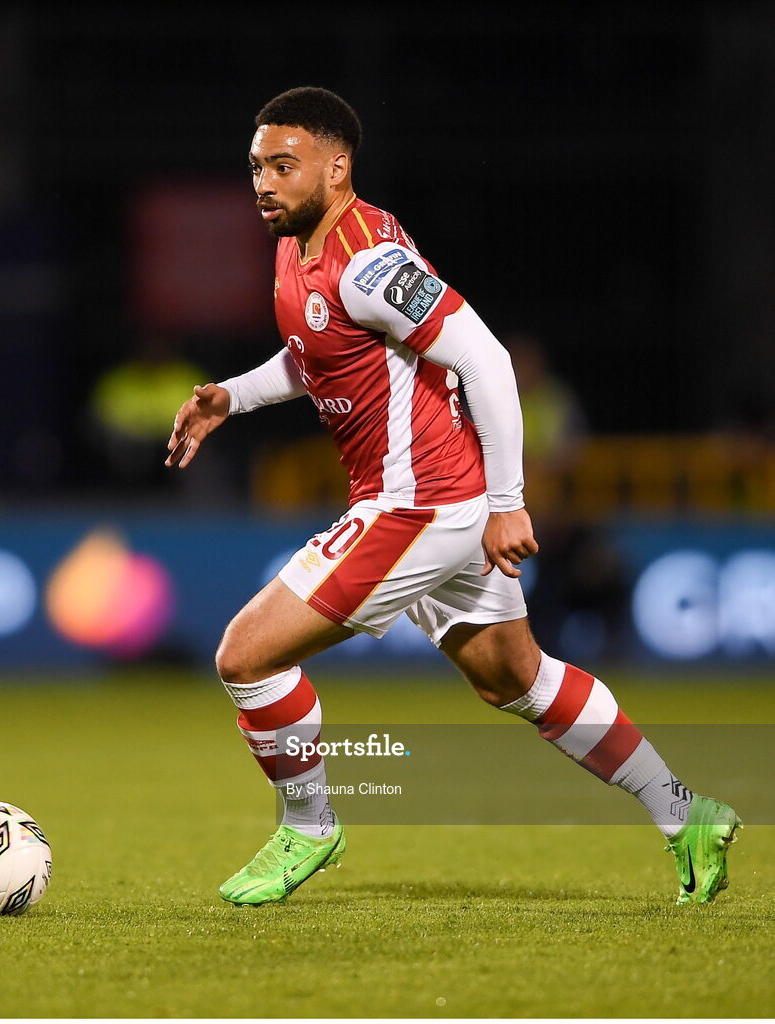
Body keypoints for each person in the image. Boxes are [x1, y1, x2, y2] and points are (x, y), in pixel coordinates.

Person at [165, 87, 740, 907]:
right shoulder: (301, 244)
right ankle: (685, 813)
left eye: (283, 166)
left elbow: (488, 361)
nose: (263, 182)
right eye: (256, 166)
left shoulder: (370, 261)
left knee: (245, 655)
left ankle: (311, 827)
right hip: (435, 498)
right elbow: (316, 350)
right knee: (516, 680)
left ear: (337, 166)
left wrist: (507, 501)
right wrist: (232, 396)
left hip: (419, 502)